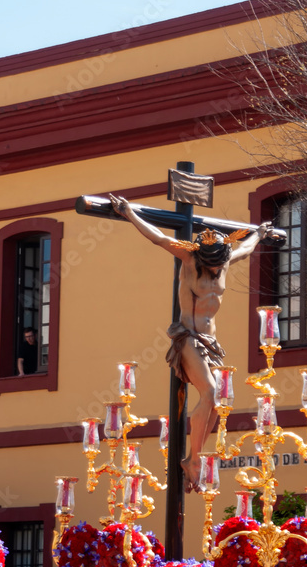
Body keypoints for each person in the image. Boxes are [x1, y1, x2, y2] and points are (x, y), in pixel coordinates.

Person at [110, 195, 274, 489]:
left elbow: (246, 250)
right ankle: (194, 458)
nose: (216, 270)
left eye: (219, 265)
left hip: (211, 342)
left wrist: (259, 234)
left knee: (219, 401)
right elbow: (158, 238)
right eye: (211, 265)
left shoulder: (224, 261)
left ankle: (196, 456)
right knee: (210, 392)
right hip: (187, 337)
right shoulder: (189, 260)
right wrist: (129, 212)